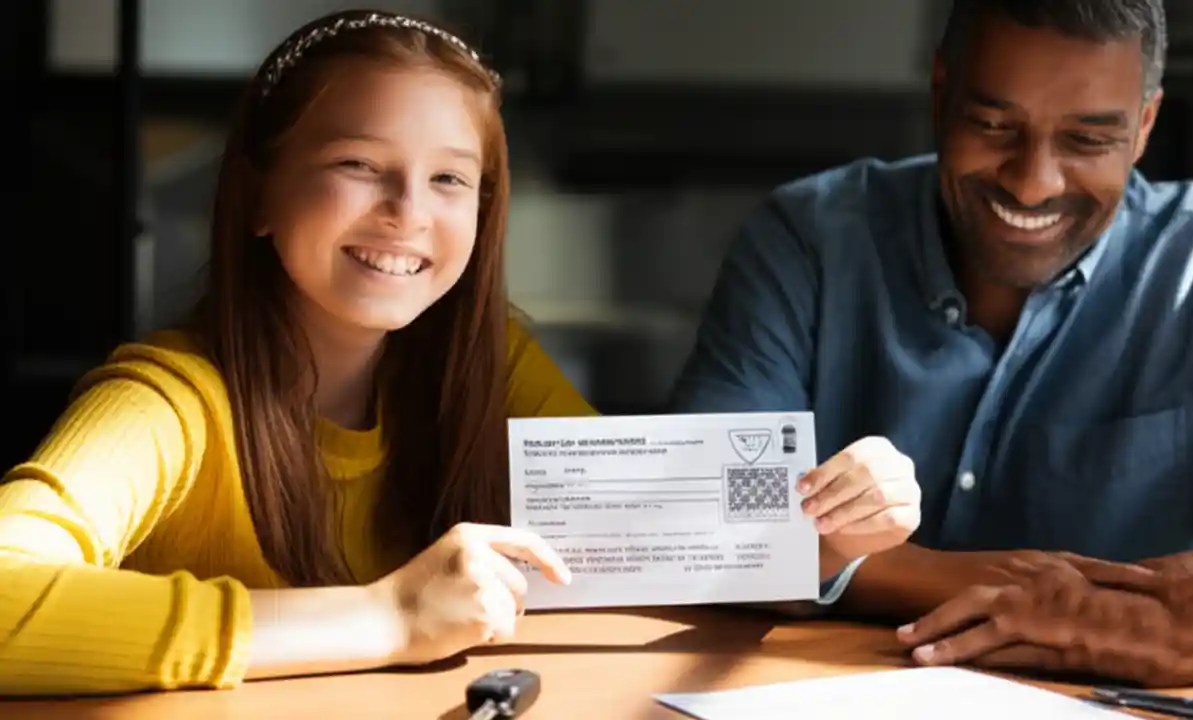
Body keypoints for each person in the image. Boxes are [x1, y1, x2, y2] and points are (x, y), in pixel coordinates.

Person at [0, 9, 915, 697]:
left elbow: (638, 553)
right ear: (256, 197)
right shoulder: (168, 401)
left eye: (449, 179)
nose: (407, 211)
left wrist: (818, 537)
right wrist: (384, 618)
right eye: (359, 164)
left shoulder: (492, 365)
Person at [670, 0, 1193, 688]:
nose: (1032, 181)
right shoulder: (808, 241)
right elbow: (701, 527)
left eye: (1087, 141)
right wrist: (1045, 595)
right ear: (941, 95)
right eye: (993, 126)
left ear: (1143, 126)